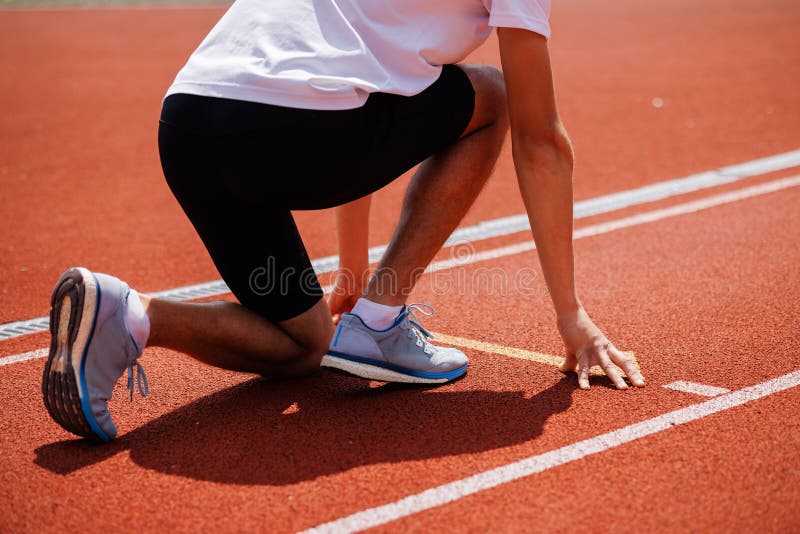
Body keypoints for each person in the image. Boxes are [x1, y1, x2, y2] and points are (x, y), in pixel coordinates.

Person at [42, 0, 645, 442]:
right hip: (289, 127)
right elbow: (541, 143)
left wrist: (351, 275)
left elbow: (365, 81)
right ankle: (381, 321)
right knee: (493, 95)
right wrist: (570, 314)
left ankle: (129, 314)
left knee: (302, 346)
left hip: (188, 122)